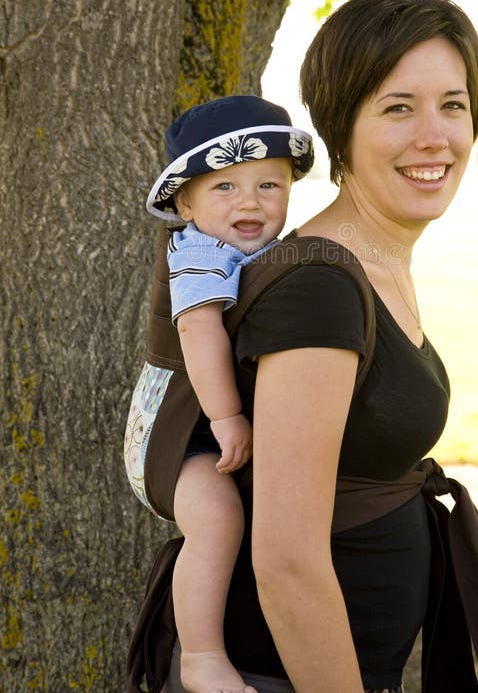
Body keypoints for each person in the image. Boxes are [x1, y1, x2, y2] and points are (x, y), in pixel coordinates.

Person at [155, 0, 478, 693]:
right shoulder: (319, 287)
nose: (434, 135)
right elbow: (287, 561)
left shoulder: (371, 263)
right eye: (398, 108)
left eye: (453, 104)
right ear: (340, 124)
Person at [129, 95, 314, 693]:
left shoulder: (259, 249)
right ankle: (202, 656)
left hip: (204, 422)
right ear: (185, 204)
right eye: (225, 187)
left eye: (268, 184)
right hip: (178, 431)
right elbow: (199, 331)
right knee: (218, 519)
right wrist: (229, 415)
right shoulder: (199, 252)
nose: (250, 202)